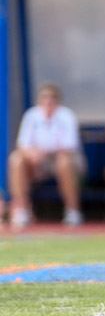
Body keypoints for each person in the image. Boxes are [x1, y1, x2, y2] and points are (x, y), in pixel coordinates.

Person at [6, 82, 84, 228]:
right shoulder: (31, 116)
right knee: (16, 159)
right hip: (37, 163)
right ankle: (21, 210)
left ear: (58, 100)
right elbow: (23, 145)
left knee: (64, 162)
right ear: (38, 100)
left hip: (62, 160)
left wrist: (44, 152)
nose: (48, 100)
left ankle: (72, 211)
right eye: (44, 97)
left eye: (52, 97)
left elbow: (70, 147)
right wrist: (33, 154)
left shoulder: (66, 116)